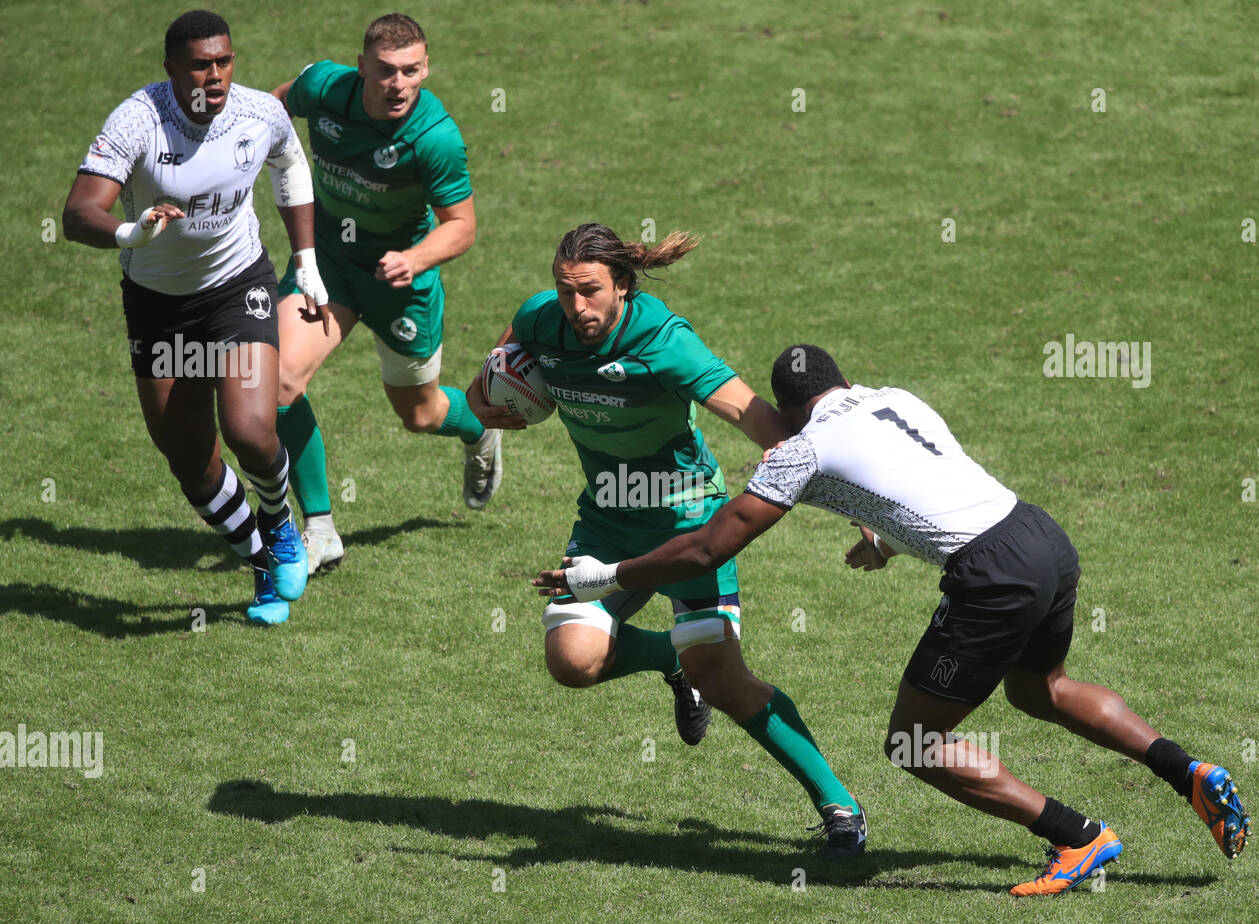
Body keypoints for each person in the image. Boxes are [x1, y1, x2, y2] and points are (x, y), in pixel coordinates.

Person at [535, 345, 1251, 892]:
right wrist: (881, 535)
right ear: (841, 382)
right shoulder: (895, 397)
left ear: (788, 411)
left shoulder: (799, 449)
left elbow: (707, 547)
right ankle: (1187, 769)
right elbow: (915, 475)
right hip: (1040, 537)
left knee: (913, 743)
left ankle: (1078, 839)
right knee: (1043, 690)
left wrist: (605, 576)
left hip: (992, 577)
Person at [474, 225, 867, 856]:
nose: (576, 308)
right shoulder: (540, 320)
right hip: (606, 517)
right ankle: (672, 662)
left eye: (591, 292)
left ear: (622, 286)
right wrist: (488, 402)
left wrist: (859, 506)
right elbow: (489, 378)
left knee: (727, 683)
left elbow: (761, 422)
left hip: (689, 523)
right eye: (565, 290)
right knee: (571, 661)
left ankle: (839, 806)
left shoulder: (666, 342)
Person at [63, 8, 327, 625]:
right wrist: (132, 232)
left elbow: (289, 164)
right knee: (191, 460)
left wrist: (307, 261)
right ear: (171, 69)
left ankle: (280, 521)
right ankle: (261, 562)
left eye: (223, 62)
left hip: (237, 289)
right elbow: (78, 213)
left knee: (252, 429)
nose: (213, 78)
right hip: (159, 308)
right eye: (199, 66)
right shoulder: (137, 121)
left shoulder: (259, 112)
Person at [270, 12, 495, 575]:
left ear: (427, 67)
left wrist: (415, 258)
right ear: (363, 64)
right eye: (387, 71)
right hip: (328, 263)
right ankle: (319, 529)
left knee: (418, 415)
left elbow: (462, 225)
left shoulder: (435, 138)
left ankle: (479, 428)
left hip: (402, 282)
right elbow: (268, 111)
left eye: (412, 71)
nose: (399, 85)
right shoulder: (324, 87)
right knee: (277, 381)